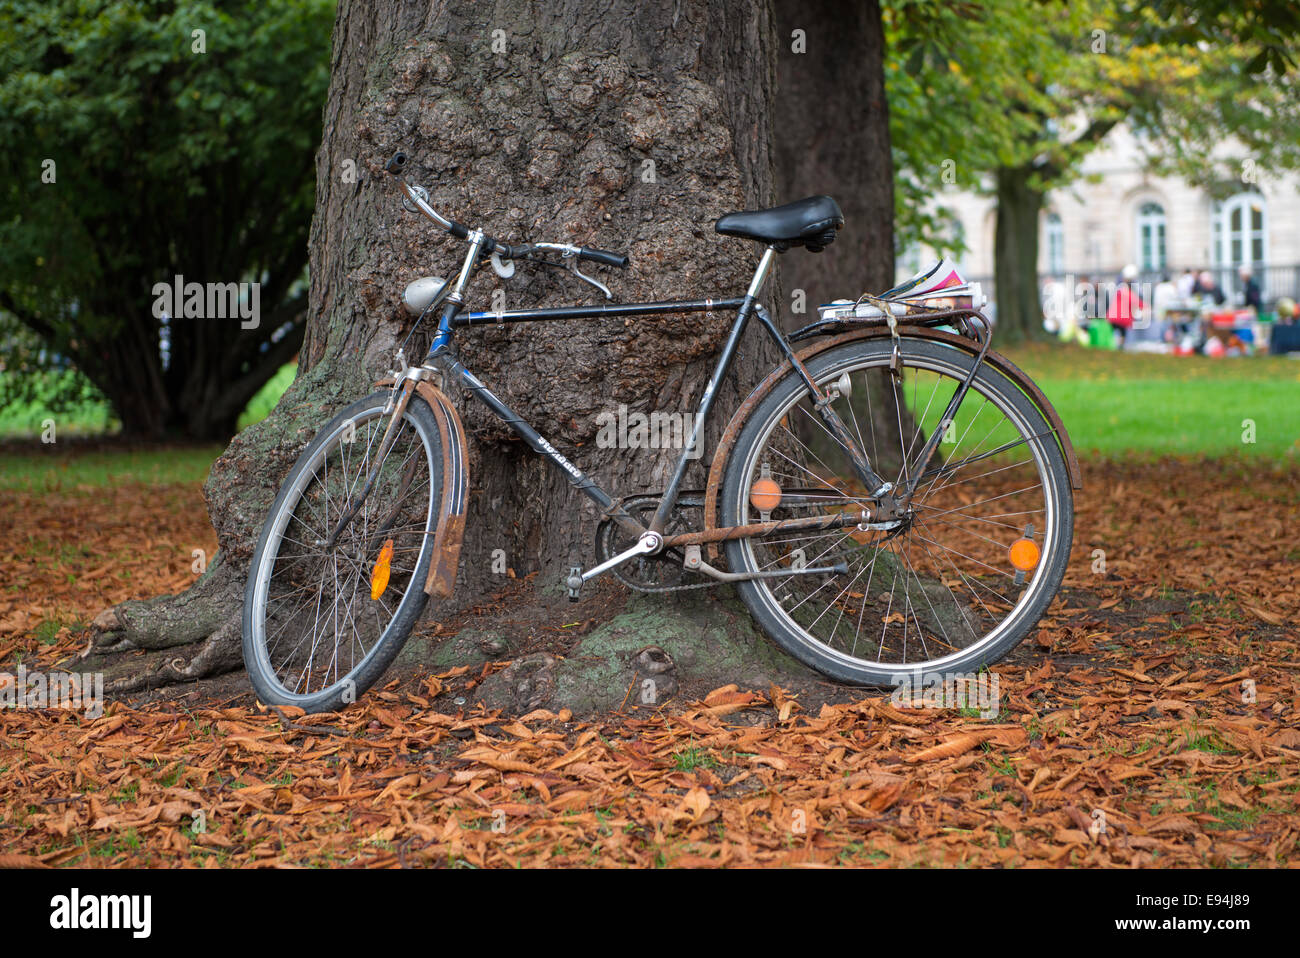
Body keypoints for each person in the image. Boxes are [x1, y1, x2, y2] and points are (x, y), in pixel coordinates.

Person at [1107, 264, 1144, 348]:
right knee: (1122, 335)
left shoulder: (1120, 291)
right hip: (1121, 319)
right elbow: (1140, 304)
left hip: (1113, 318)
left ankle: (1113, 347)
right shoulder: (1128, 294)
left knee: (1113, 334)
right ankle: (1119, 347)